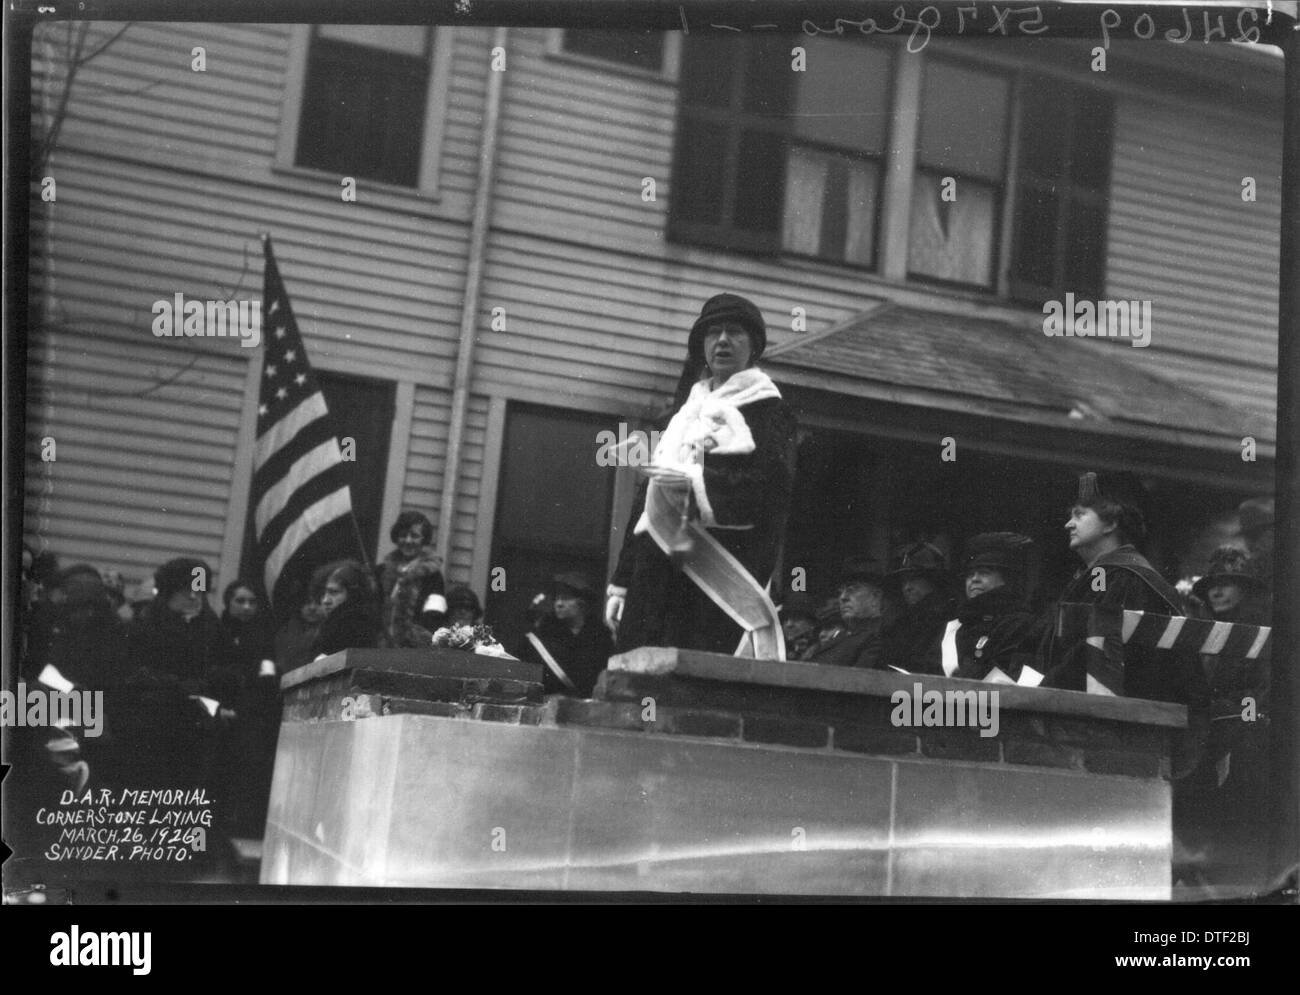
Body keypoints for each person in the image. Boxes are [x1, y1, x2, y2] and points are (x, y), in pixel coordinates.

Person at [606, 293, 798, 658]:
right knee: (637, 678)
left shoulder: (770, 413)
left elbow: (769, 491)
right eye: (713, 333)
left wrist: (692, 482)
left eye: (734, 332)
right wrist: (622, 582)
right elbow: (647, 501)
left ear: (753, 346)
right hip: (656, 571)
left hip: (714, 578)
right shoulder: (681, 415)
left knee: (693, 679)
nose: (722, 340)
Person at [1181, 546, 1272, 882]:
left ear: (1245, 589)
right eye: (1210, 585)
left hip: (1246, 742)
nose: (1216, 591)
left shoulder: (1263, 635)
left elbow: (1262, 694)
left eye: (1227, 583)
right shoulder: (1203, 632)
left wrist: (1238, 717)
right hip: (1207, 739)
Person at [942, 533, 1044, 683]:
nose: (974, 579)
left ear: (1005, 580)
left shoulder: (1021, 624)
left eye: (984, 573)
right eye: (970, 575)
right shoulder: (956, 626)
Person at [516, 573, 614, 696]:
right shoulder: (541, 637)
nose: (559, 603)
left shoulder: (601, 639)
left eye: (566, 598)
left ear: (583, 603)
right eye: (557, 598)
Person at [879, 541, 955, 675]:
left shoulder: (950, 620)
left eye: (914, 579)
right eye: (904, 581)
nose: (907, 587)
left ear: (933, 580)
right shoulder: (900, 623)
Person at [375, 510, 447, 647]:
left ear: (424, 539)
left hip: (412, 649)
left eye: (414, 536)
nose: (408, 541)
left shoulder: (433, 576)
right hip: (380, 646)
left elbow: (434, 615)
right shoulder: (382, 571)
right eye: (403, 535)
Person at [804, 558, 886, 669]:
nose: (843, 597)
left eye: (851, 589)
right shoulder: (842, 636)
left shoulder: (880, 638)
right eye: (840, 592)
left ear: (875, 597)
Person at [313, 559, 380, 657]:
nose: (325, 600)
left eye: (334, 592)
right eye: (323, 594)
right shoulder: (329, 626)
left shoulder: (350, 626)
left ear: (353, 594)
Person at [778, 594, 819, 660]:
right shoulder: (776, 653)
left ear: (812, 624)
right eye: (785, 619)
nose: (789, 624)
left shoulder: (822, 651)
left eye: (796, 619)